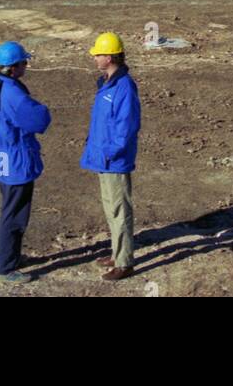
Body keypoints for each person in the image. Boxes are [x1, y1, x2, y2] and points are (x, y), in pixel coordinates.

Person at [0, 40, 51, 285]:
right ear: (14, 66)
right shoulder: (13, 94)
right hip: (17, 160)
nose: (26, 65)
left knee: (10, 209)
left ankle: (11, 257)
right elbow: (38, 121)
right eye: (24, 62)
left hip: (3, 157)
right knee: (15, 215)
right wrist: (44, 109)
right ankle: (5, 267)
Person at [80, 31, 141, 281]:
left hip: (113, 160)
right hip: (103, 158)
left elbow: (126, 127)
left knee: (120, 211)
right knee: (110, 209)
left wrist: (109, 153)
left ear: (110, 57)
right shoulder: (107, 83)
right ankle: (117, 253)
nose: (95, 58)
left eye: (98, 54)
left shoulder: (123, 87)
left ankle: (125, 262)